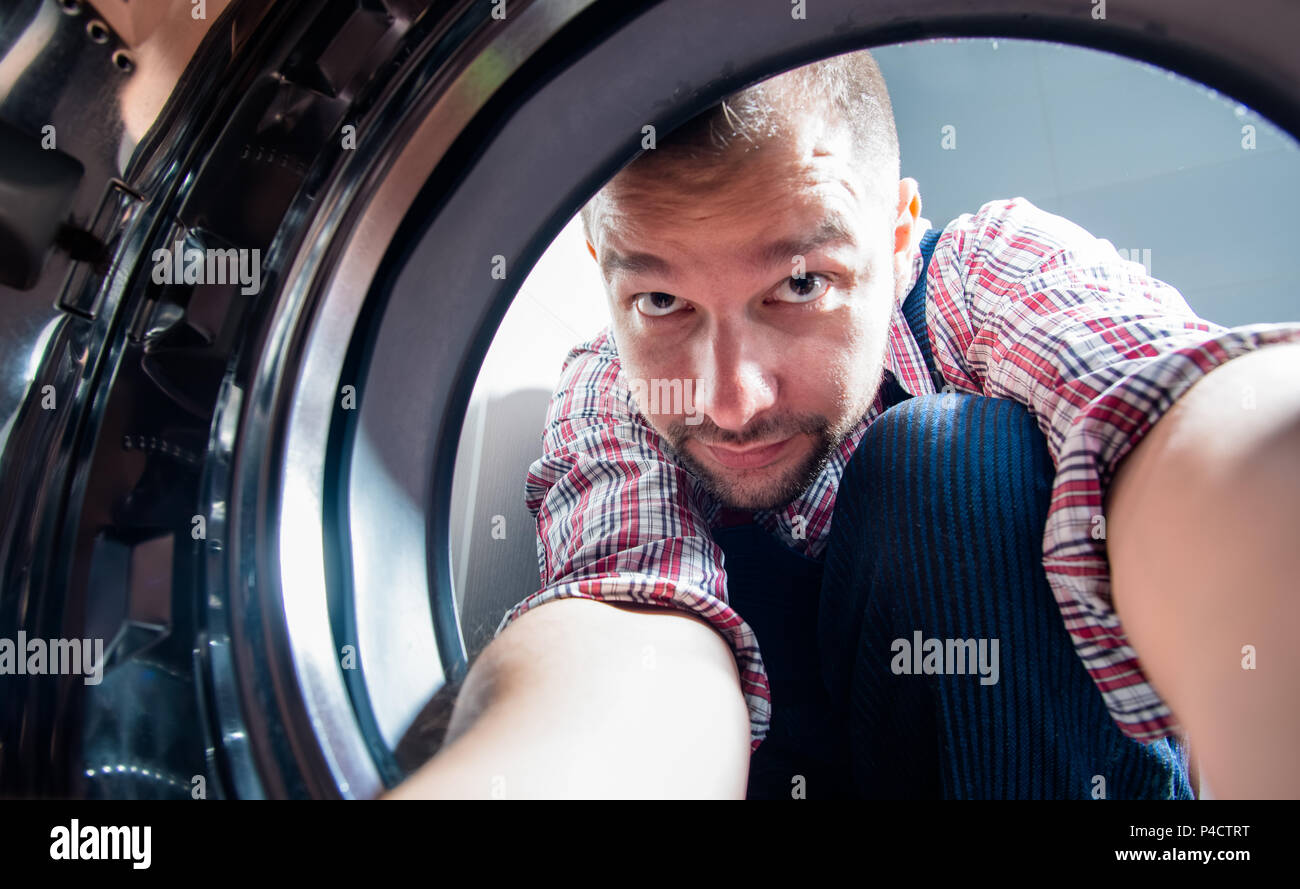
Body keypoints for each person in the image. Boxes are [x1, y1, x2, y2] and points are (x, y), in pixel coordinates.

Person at [385, 49, 1300, 799]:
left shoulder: (981, 272)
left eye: (800, 284)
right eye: (662, 299)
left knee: (948, 459)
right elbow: (632, 622)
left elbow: (1166, 408)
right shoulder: (614, 385)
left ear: (898, 238)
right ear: (603, 270)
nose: (730, 398)